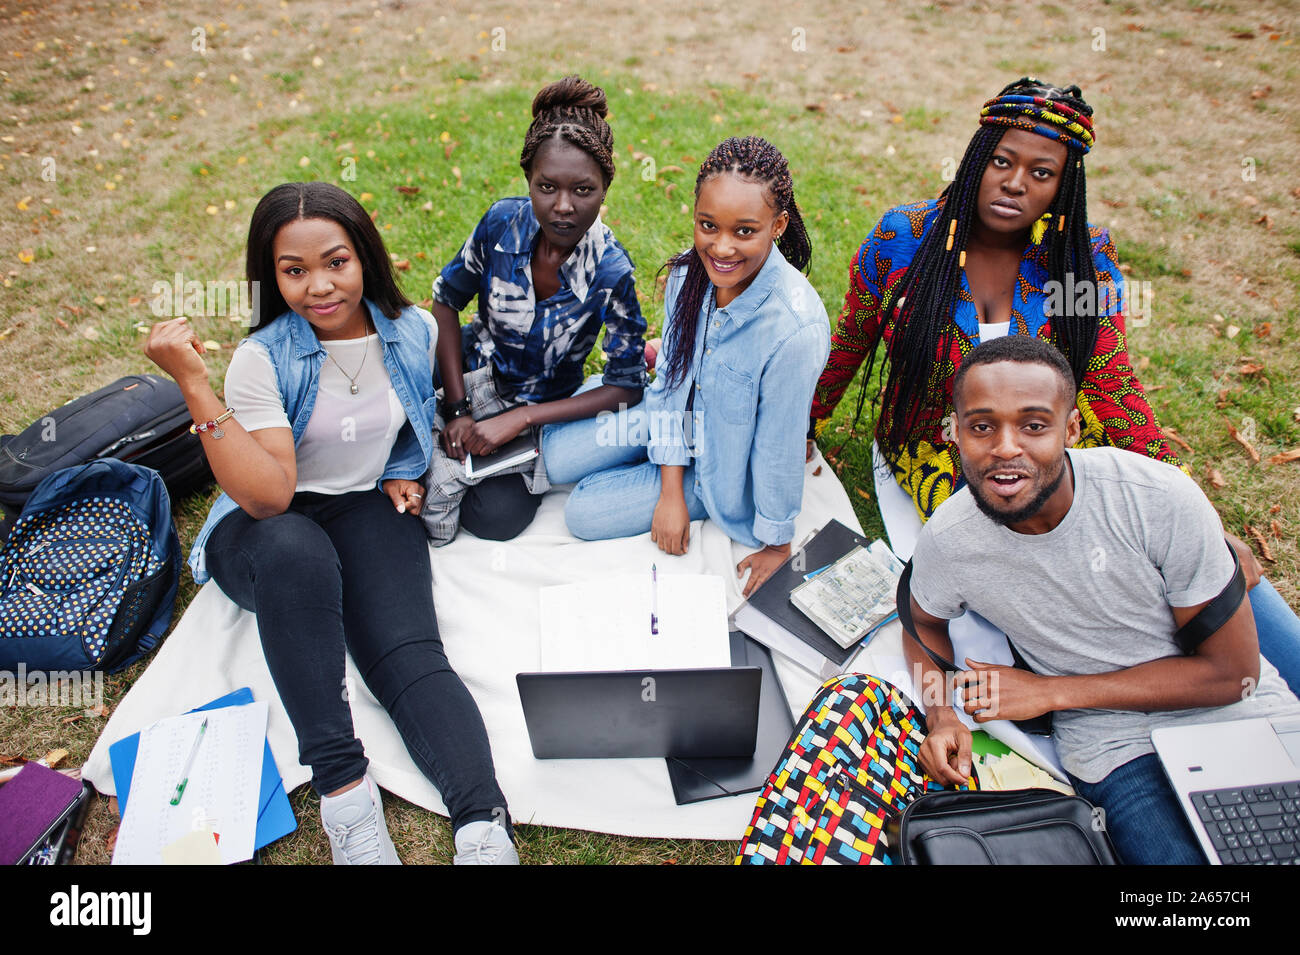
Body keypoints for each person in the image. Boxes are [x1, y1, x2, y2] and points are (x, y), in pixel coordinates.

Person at [809, 77, 1300, 694]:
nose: (1016, 183)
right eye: (1002, 161)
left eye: (1041, 173)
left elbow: (1114, 388)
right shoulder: (903, 240)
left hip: (1059, 435)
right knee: (1041, 547)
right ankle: (1158, 675)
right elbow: (850, 343)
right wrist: (804, 418)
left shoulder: (1079, 261)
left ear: (1063, 185)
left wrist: (1202, 518)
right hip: (947, 441)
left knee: (1169, 543)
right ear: (976, 160)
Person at [147, 182, 517, 865]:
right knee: (296, 549)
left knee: (410, 653)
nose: (319, 285)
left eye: (335, 262)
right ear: (272, 274)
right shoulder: (264, 358)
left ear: (364, 257)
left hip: (361, 507)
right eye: (294, 270)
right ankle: (345, 792)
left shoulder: (411, 331)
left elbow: (411, 416)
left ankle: (484, 823)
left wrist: (405, 466)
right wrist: (196, 385)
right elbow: (271, 496)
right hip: (266, 526)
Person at [904, 335, 1300, 864]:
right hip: (1115, 753)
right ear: (955, 434)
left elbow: (1232, 677)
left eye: (1034, 425)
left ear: (1071, 429)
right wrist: (942, 714)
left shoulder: (1159, 500)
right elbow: (920, 621)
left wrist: (1050, 693)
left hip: (1233, 718)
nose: (1005, 447)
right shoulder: (949, 542)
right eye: (982, 426)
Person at [542, 136, 831, 598]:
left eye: (744, 231)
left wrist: (777, 545)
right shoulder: (687, 275)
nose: (721, 247)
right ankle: (638, 450)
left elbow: (777, 448)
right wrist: (668, 486)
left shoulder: (795, 330)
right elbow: (673, 386)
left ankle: (638, 463)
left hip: (723, 464)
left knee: (582, 514)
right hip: (669, 415)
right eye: (707, 225)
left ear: (777, 226)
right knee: (556, 458)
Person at [421, 75, 647, 545]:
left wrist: (522, 420)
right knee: (399, 401)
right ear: (529, 179)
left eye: (583, 190)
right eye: (546, 187)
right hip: (464, 371)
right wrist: (458, 406)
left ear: (606, 186)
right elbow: (445, 301)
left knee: (496, 518)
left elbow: (625, 388)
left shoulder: (611, 273)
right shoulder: (501, 222)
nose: (562, 207)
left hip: (535, 407)